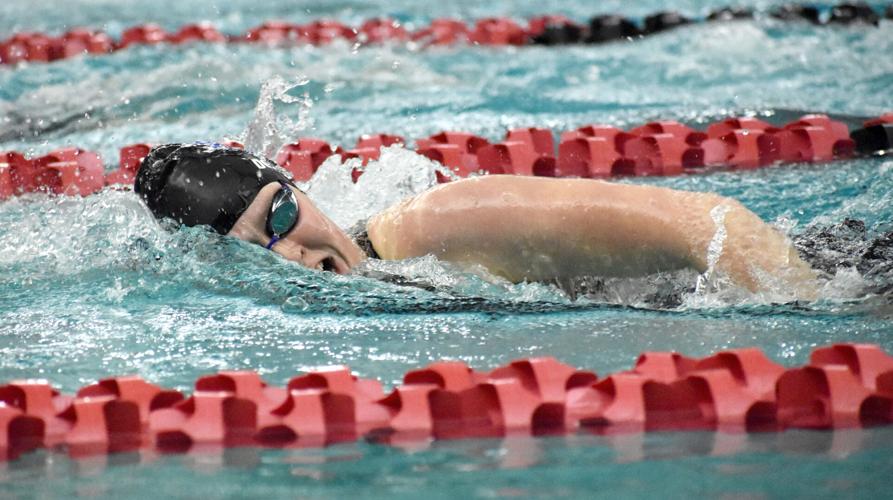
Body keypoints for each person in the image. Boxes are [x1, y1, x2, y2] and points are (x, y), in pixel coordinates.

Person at [134, 143, 818, 298]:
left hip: (842, 265)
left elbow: (716, 225)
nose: (291, 255)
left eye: (280, 214)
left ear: (297, 187)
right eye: (253, 251)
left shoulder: (447, 222)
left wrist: (813, 313)